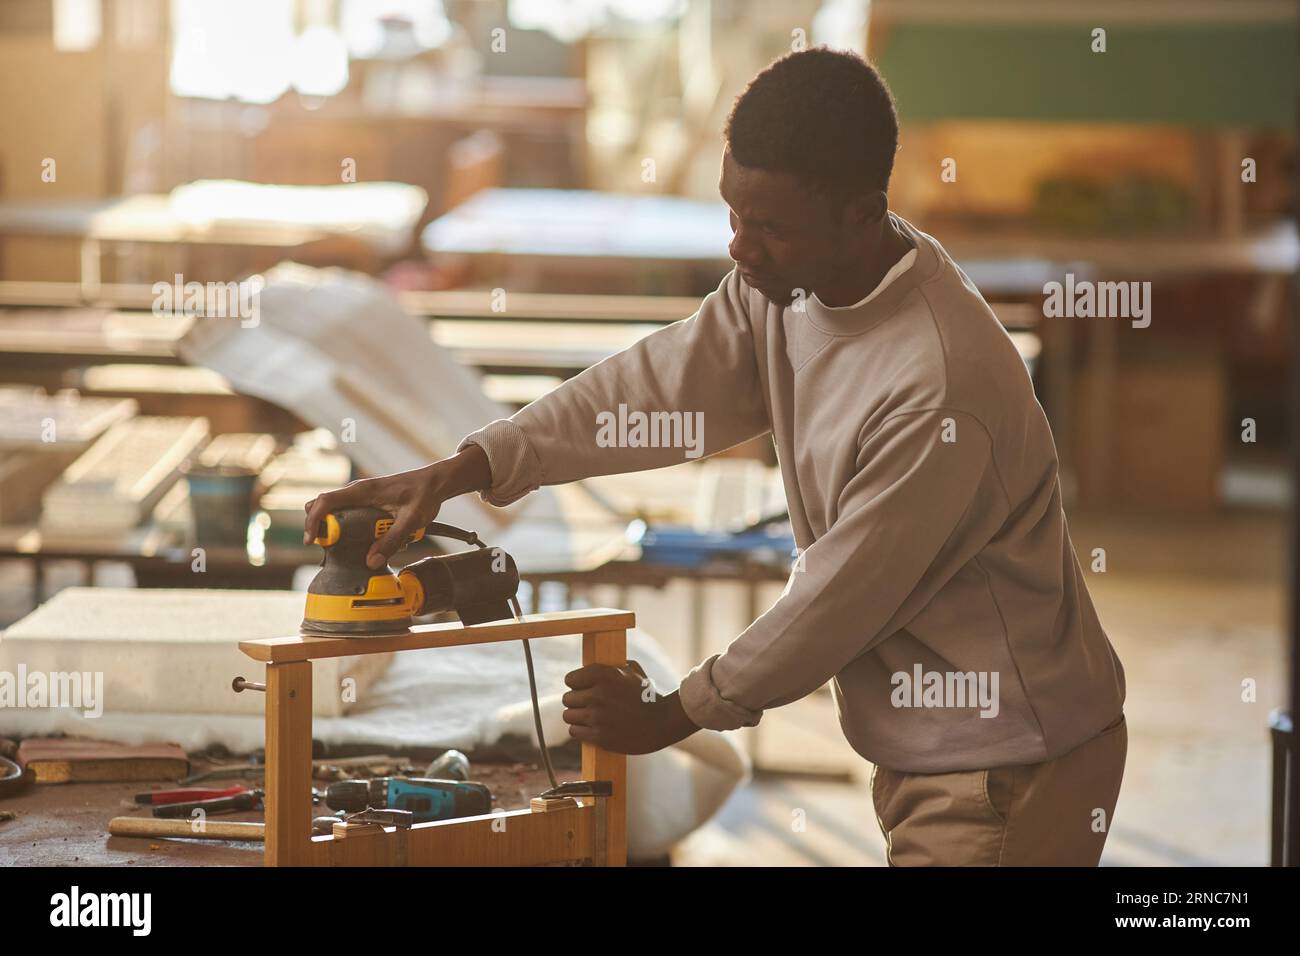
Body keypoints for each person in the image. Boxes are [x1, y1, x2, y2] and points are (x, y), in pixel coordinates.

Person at [304, 47, 1126, 866]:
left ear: (861, 212)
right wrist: (468, 467)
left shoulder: (937, 384)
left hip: (1009, 760)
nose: (742, 247)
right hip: (935, 746)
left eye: (769, 226)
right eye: (733, 213)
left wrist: (671, 714)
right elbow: (654, 391)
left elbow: (836, 602)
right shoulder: (790, 285)